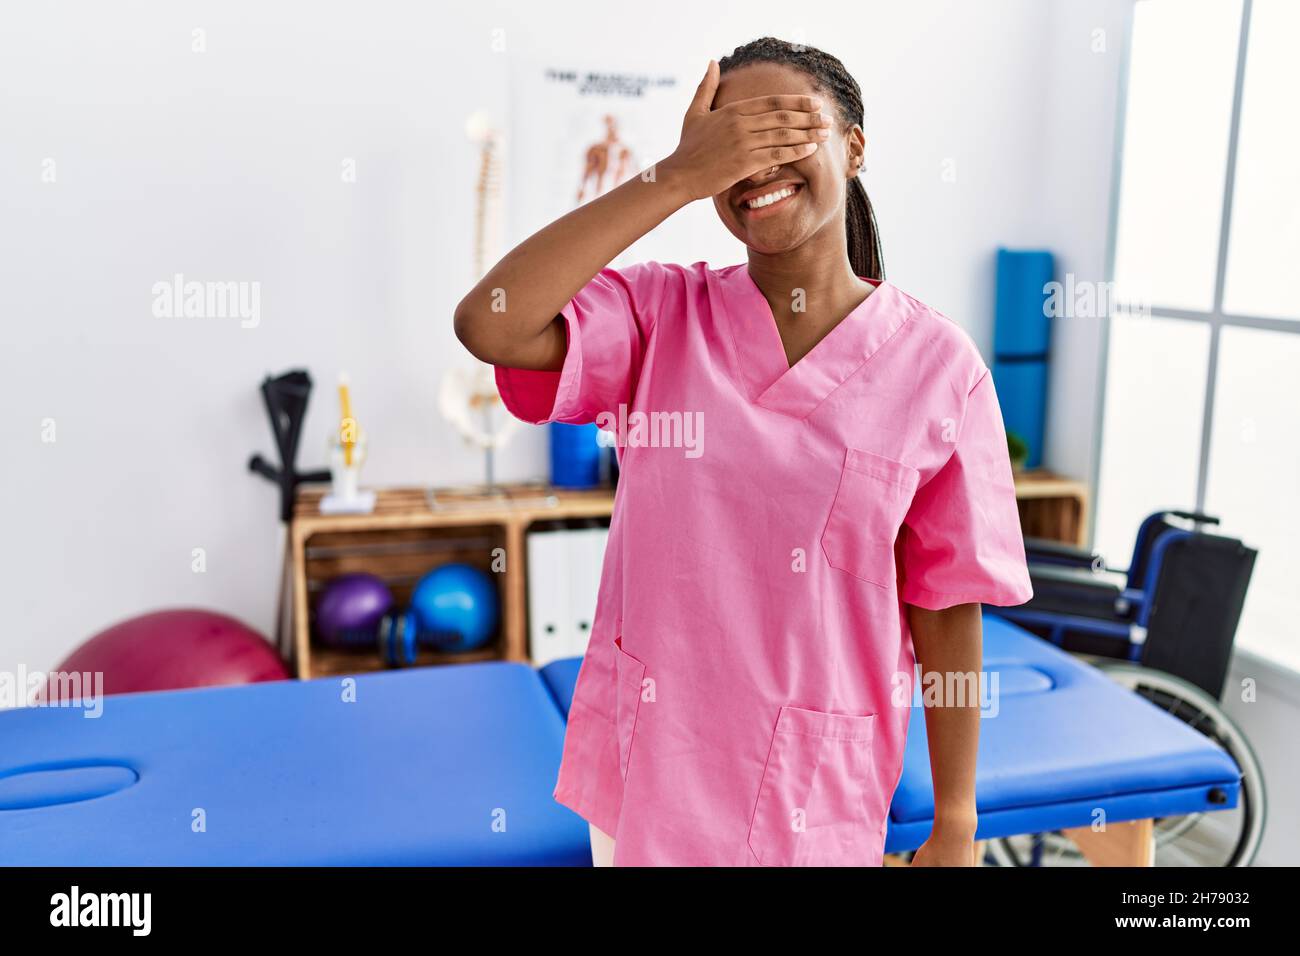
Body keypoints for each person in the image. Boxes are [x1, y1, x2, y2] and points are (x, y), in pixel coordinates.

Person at [455, 37, 1032, 867]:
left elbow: (947, 606)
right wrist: (677, 177)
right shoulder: (658, 315)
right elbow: (492, 322)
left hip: (815, 788)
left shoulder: (941, 369)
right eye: (729, 142)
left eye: (783, 129)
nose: (755, 163)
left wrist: (956, 820)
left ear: (855, 147)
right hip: (649, 773)